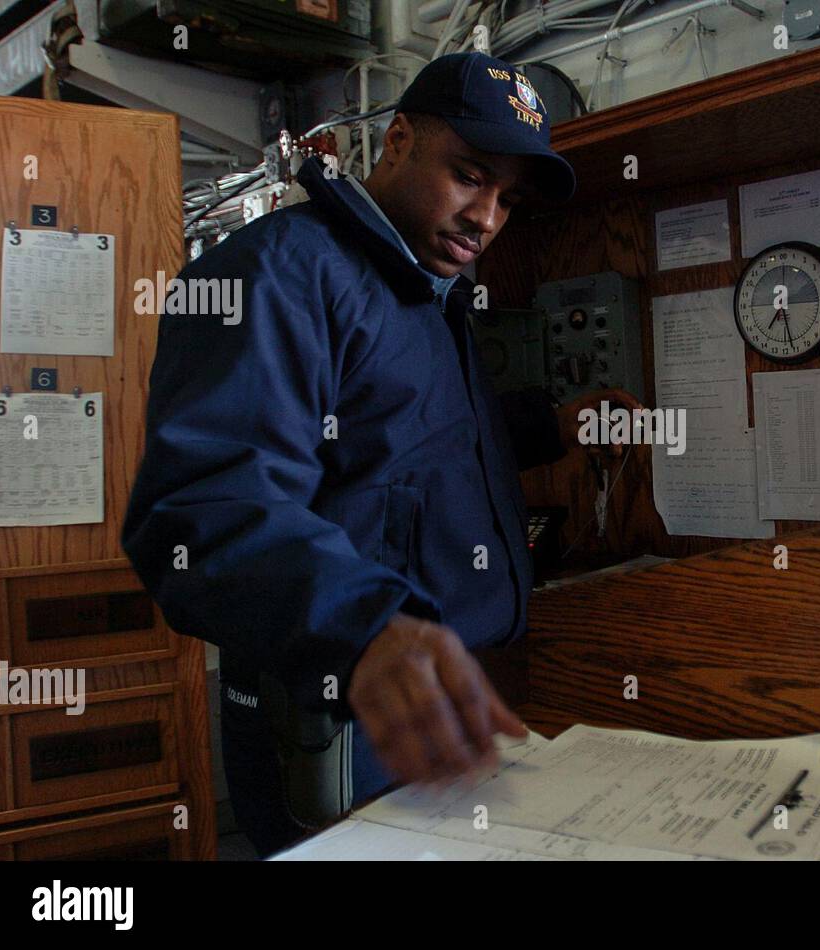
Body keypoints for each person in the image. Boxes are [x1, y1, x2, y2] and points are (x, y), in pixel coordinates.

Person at [122, 51, 638, 857]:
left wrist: (557, 426)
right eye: (469, 176)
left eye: (507, 198)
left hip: (438, 696)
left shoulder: (421, 289)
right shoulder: (277, 275)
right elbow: (201, 512)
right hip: (342, 711)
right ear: (396, 141)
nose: (487, 218)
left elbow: (409, 445)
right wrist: (367, 629)